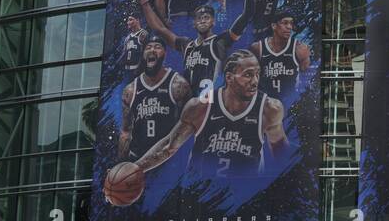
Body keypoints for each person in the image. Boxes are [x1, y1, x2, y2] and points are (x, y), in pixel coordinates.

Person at [110, 50, 290, 189]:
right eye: (248, 74)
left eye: (258, 74)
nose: (255, 81)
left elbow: (282, 155)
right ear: (228, 78)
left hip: (243, 195)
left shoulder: (269, 108)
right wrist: (135, 169)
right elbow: (168, 147)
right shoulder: (201, 106)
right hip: (200, 195)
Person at [135, 0, 254, 93]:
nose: (202, 20)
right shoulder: (187, 45)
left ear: (213, 22)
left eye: (206, 17)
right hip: (190, 104)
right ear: (194, 23)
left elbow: (246, 15)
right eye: (199, 18)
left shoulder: (220, 42)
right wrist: (145, 3)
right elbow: (160, 29)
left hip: (211, 102)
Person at [118, 34, 192, 161]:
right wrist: (120, 164)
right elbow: (126, 132)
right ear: (143, 55)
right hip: (138, 159)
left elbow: (187, 126)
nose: (152, 50)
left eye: (157, 47)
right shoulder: (130, 90)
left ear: (165, 53)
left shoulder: (178, 85)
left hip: (167, 158)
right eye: (148, 47)